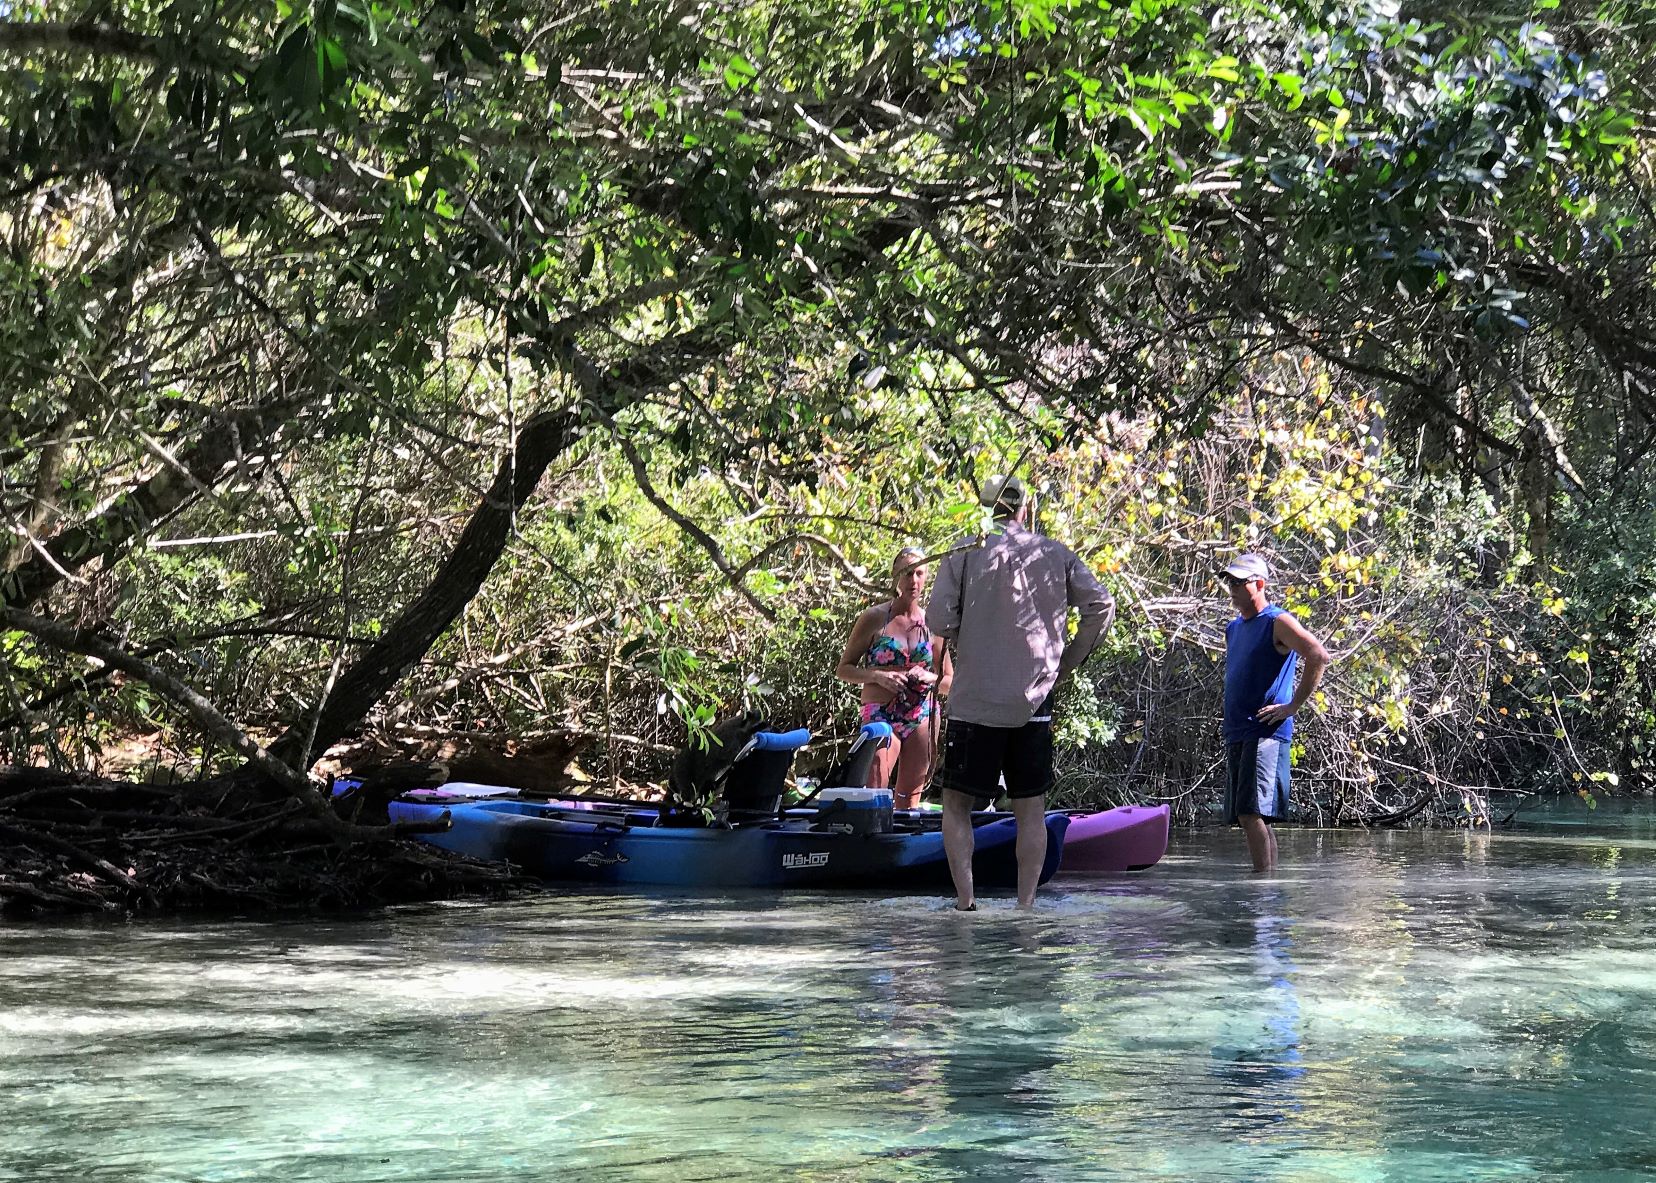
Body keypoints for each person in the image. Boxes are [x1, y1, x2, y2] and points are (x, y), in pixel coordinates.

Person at [925, 475, 1115, 910]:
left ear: (985, 508)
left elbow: (937, 619)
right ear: (1024, 509)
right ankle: (1026, 905)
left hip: (975, 697)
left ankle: (966, 901)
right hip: (1035, 697)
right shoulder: (1054, 553)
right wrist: (1067, 661)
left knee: (956, 803)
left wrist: (967, 635)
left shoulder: (964, 552)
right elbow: (1101, 606)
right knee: (1030, 808)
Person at [1218, 552, 1331, 873]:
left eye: (1239, 582)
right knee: (1253, 815)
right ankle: (1269, 885)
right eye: (1230, 581)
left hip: (1265, 731)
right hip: (1239, 730)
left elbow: (1318, 655)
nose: (1232, 588)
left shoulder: (1277, 621)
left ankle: (1260, 887)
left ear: (1259, 584)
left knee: (1250, 812)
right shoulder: (1234, 628)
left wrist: (1292, 706)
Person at [835, 547, 954, 808]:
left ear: (927, 577)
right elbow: (843, 668)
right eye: (907, 573)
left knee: (908, 801)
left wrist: (928, 676)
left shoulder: (933, 624)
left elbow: (949, 682)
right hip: (880, 711)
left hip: (922, 715)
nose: (913, 580)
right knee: (875, 791)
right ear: (895, 576)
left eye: (919, 573)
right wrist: (878, 676)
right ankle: (870, 844)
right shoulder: (874, 618)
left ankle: (903, 845)